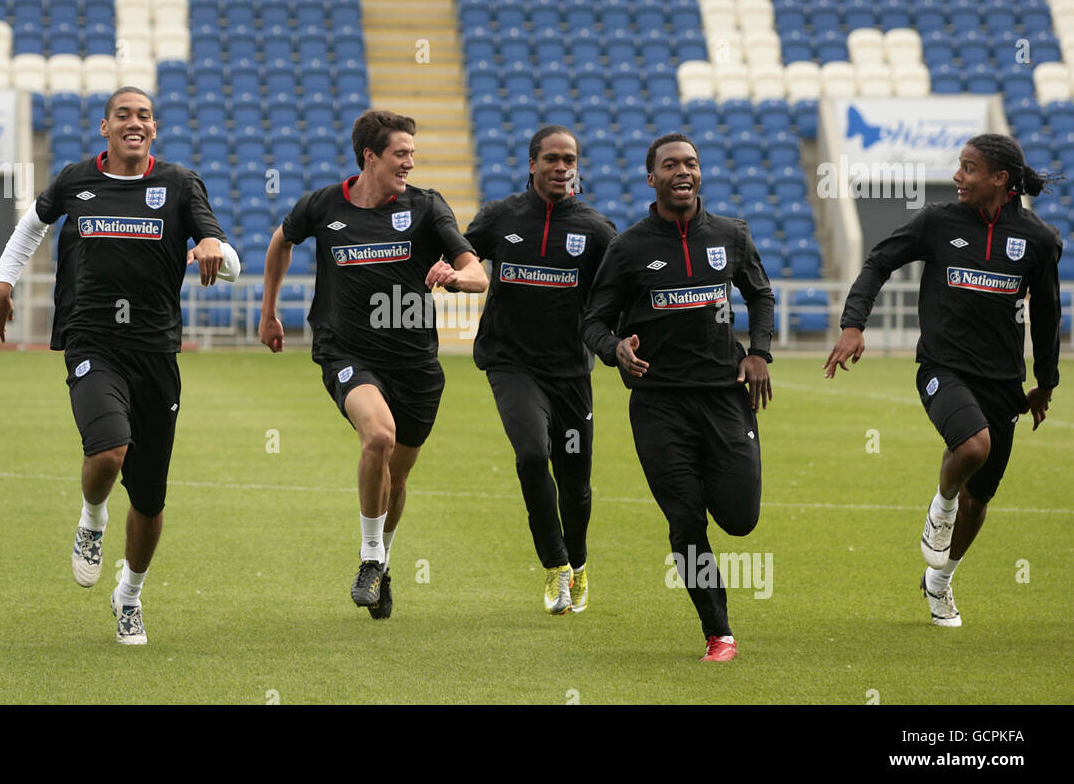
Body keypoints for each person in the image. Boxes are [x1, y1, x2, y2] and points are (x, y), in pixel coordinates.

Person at [0, 86, 238, 644]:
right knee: (107, 449)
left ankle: (129, 597)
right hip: (91, 341)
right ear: (105, 127)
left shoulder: (178, 184)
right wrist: (5, 281)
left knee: (149, 500)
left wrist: (213, 251)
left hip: (155, 352)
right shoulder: (76, 180)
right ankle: (92, 521)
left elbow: (225, 254)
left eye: (144, 116)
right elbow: (32, 225)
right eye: (123, 115)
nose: (134, 122)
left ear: (154, 129)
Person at [824, 134, 1062, 628]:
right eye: (960, 166)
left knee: (982, 498)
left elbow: (1047, 315)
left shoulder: (1039, 240)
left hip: (1003, 382)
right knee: (973, 448)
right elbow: (878, 261)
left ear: (1000, 179)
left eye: (969, 169)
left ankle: (939, 582)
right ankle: (941, 505)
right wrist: (853, 324)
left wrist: (1046, 382)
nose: (958, 176)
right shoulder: (936, 222)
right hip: (942, 367)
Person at [259, 109, 487, 619]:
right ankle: (368, 559)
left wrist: (454, 277)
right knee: (378, 437)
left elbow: (479, 275)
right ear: (370, 156)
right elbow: (282, 241)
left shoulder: (427, 208)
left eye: (412, 154)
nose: (410, 162)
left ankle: (382, 562)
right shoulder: (321, 206)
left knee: (397, 478)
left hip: (415, 363)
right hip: (346, 352)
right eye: (400, 154)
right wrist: (269, 312)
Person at [581, 133, 775, 662]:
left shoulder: (731, 235)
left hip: (723, 399)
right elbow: (593, 321)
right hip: (658, 405)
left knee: (739, 519)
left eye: (690, 162)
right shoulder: (629, 248)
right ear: (653, 178)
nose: (683, 171)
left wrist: (759, 351)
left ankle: (722, 472)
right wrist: (614, 347)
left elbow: (760, 294)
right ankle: (719, 632)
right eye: (671, 165)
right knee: (686, 519)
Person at [464, 125, 617, 614]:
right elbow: (463, 256)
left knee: (576, 483)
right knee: (532, 453)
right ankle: (556, 568)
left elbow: (616, 296)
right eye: (551, 158)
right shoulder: (499, 217)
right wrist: (450, 274)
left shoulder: (596, 230)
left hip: (571, 370)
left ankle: (579, 560)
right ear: (532, 164)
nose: (561, 167)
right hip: (511, 363)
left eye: (569, 159)